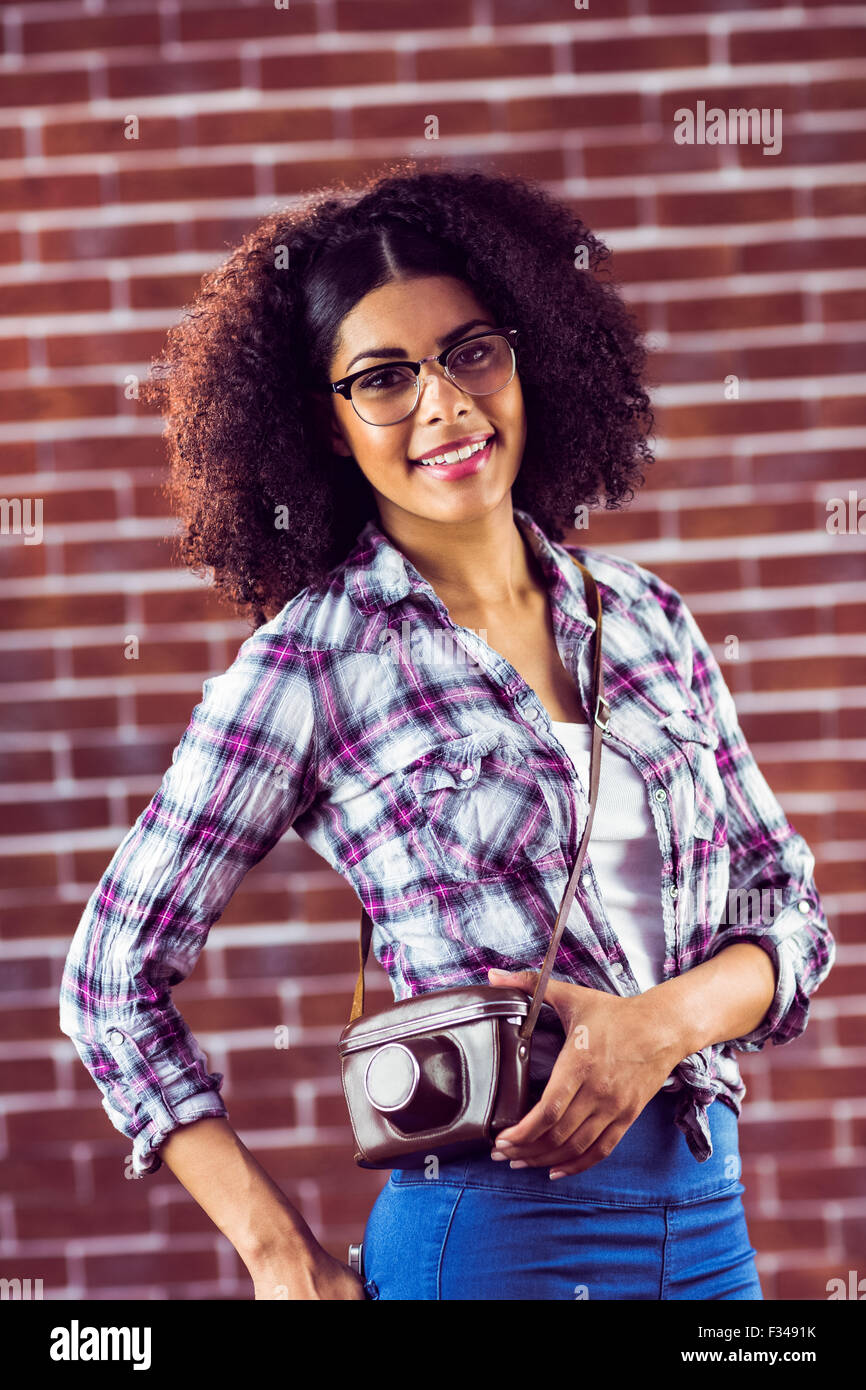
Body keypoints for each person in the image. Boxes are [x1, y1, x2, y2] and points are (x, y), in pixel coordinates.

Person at [59, 162, 835, 1301]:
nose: (442, 405)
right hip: (497, 1240)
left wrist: (655, 1027)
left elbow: (791, 917)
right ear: (320, 426)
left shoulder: (647, 618)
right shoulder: (313, 663)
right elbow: (107, 980)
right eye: (381, 379)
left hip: (709, 1231)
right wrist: (278, 1254)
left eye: (469, 350)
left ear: (526, 356)